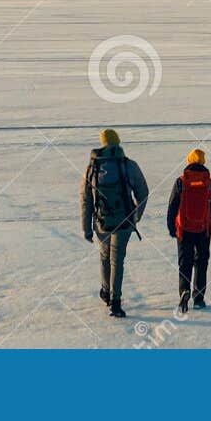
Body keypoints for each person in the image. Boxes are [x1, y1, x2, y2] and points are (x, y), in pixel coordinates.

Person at [81, 129, 148, 318]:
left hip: (102, 222)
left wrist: (86, 228)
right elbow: (142, 192)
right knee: (117, 261)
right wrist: (136, 216)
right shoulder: (128, 165)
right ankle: (115, 302)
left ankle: (105, 291)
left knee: (105, 256)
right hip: (124, 222)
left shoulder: (92, 168)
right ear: (118, 142)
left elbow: (85, 199)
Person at [165, 148, 211, 317]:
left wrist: (171, 227)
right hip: (203, 228)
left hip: (184, 229)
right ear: (203, 162)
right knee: (201, 262)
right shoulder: (208, 182)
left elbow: (172, 206)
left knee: (184, 261)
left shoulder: (181, 181)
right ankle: (198, 298)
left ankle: (184, 291)